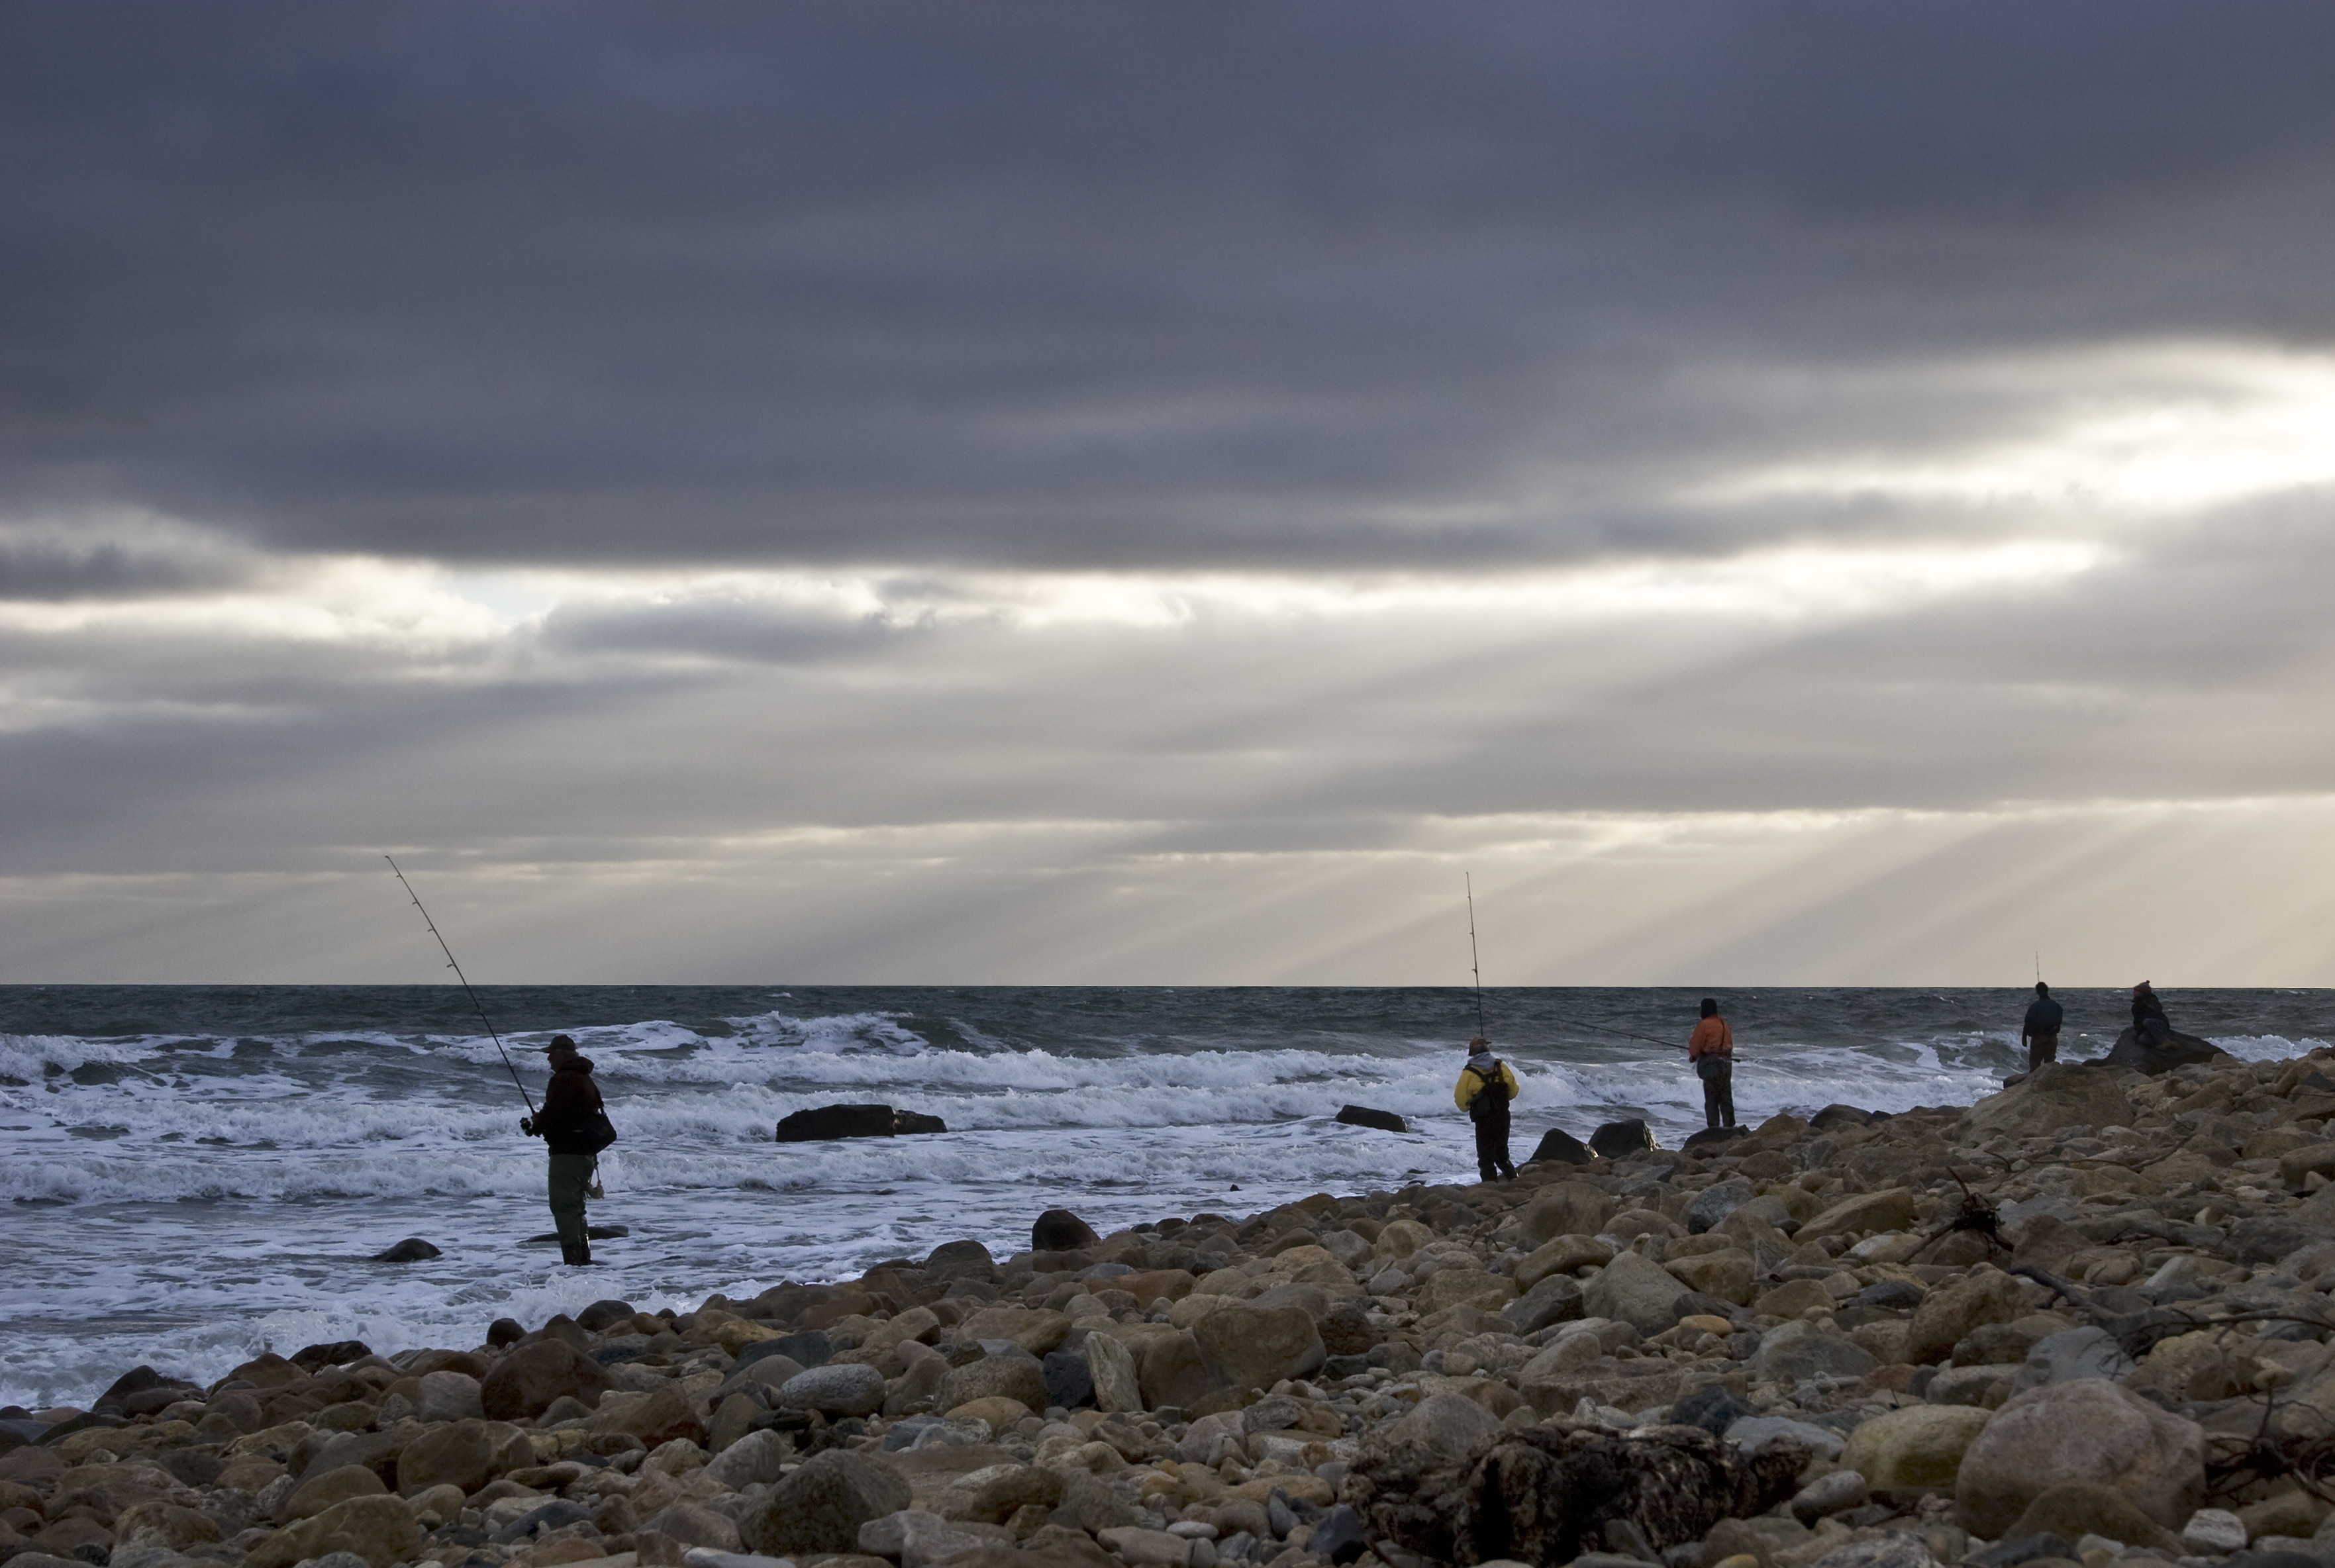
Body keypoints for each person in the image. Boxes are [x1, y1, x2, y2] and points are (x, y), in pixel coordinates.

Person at [519, 1035, 612, 1265]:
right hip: (584, 1153)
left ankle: (573, 1263)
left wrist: (537, 1124)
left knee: (564, 1207)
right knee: (576, 1208)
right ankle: (583, 1260)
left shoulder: (564, 1080)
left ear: (563, 1054)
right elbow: (571, 1114)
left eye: (551, 1053)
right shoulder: (584, 1078)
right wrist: (542, 1123)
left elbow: (555, 1114)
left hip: (567, 1153)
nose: (549, 1058)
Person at [1453, 1036, 1520, 1183]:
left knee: (1486, 1159)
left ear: (1472, 1053)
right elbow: (1514, 1091)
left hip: (1484, 1121)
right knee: (1502, 1155)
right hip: (1503, 1116)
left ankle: (1490, 1189)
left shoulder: (1469, 1073)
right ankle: (1515, 1182)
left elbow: (1460, 1100)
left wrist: (1469, 1106)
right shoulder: (1501, 1067)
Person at [1687, 997, 1735, 1130]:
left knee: (1712, 1098)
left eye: (1701, 1009)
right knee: (1726, 1097)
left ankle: (1714, 1129)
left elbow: (1694, 1048)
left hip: (1712, 1065)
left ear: (1705, 1010)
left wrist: (1693, 1057)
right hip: (1727, 1063)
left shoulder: (1704, 1025)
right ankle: (1730, 1128)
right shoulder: (1725, 1024)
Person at [2022, 981, 2063, 1073]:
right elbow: (2059, 1022)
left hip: (2039, 1038)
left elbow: (2028, 1022)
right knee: (2050, 1065)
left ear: (2038, 992)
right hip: (2052, 1037)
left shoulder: (2035, 1006)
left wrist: (2025, 1036)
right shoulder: (2057, 1006)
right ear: (2047, 991)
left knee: (2035, 1065)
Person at [2132, 982, 2172, 1049]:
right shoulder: (2136, 1005)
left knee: (2148, 1022)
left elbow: (2156, 1013)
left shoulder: (2152, 1001)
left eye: (2136, 991)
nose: (2134, 993)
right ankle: (2164, 1044)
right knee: (2143, 1039)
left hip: (2159, 1025)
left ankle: (2163, 1042)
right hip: (2147, 1028)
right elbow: (2137, 1020)